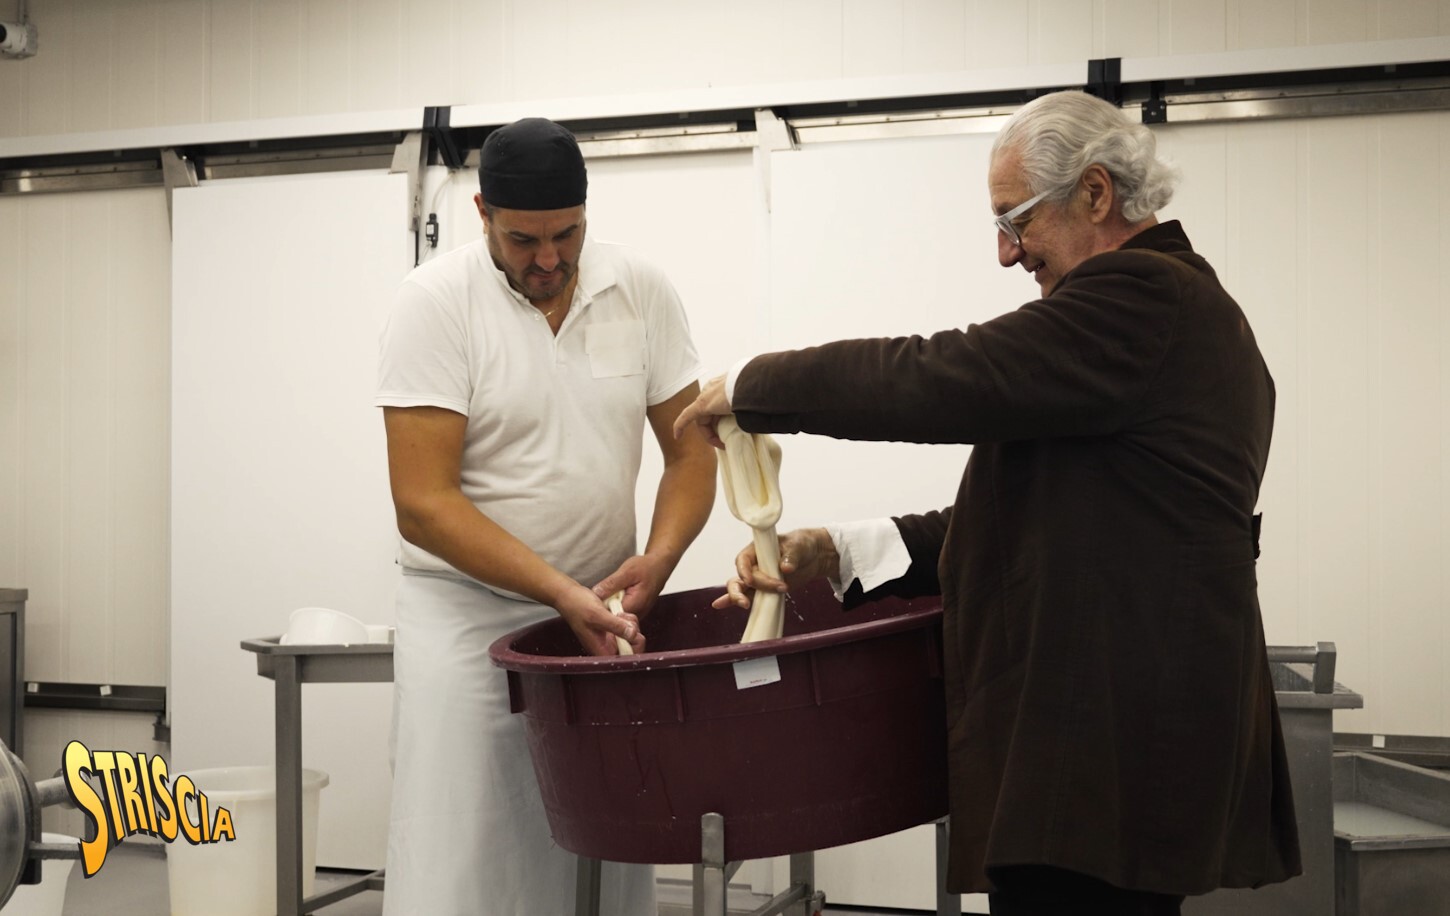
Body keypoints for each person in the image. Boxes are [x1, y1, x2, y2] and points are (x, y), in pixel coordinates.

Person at [674, 90, 1300, 915]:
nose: (1008, 254)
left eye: (1017, 221)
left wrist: (751, 387)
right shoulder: (1156, 327)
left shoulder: (1147, 303)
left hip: (1102, 763)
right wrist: (833, 549)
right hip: (1105, 767)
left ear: (1096, 193)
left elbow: (938, 376)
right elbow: (1030, 525)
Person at [376, 117, 716, 915]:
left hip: (602, 614)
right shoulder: (434, 303)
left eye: (567, 234)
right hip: (464, 622)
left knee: (602, 833)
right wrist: (560, 590)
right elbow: (422, 505)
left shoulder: (639, 288)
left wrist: (658, 563)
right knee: (462, 844)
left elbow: (693, 453)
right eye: (526, 241)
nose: (551, 260)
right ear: (484, 213)